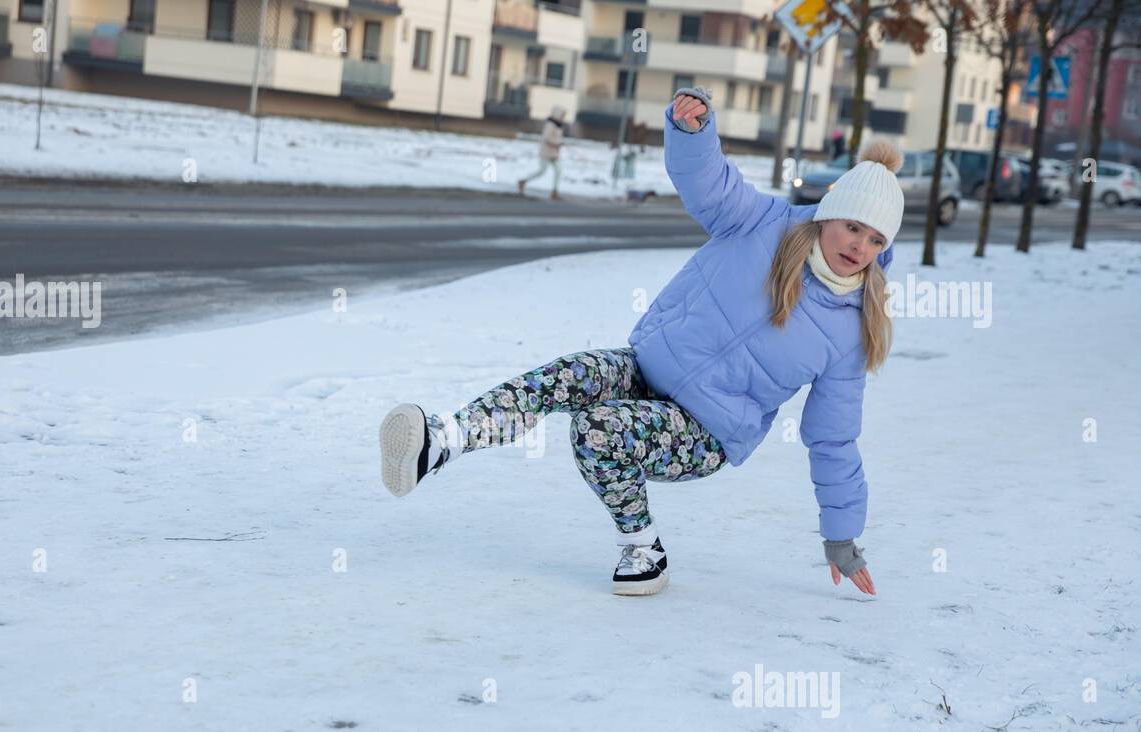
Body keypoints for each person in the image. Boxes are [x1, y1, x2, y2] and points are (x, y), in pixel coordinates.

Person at [381, 85, 899, 598]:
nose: (860, 246)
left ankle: (642, 550)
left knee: (598, 429)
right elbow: (710, 184)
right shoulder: (763, 224)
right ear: (831, 212)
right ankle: (444, 439)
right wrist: (693, 131)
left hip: (705, 433)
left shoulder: (852, 330)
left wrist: (841, 535)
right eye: (854, 227)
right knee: (569, 374)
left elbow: (833, 436)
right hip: (649, 368)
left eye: (876, 239)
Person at [517, 105, 567, 200]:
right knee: (542, 171)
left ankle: (554, 191)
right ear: (558, 115)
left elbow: (556, 138)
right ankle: (523, 181)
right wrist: (557, 143)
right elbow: (546, 138)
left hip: (554, 153)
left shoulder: (558, 126)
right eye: (562, 116)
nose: (563, 118)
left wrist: (559, 143)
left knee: (558, 171)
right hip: (546, 152)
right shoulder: (550, 125)